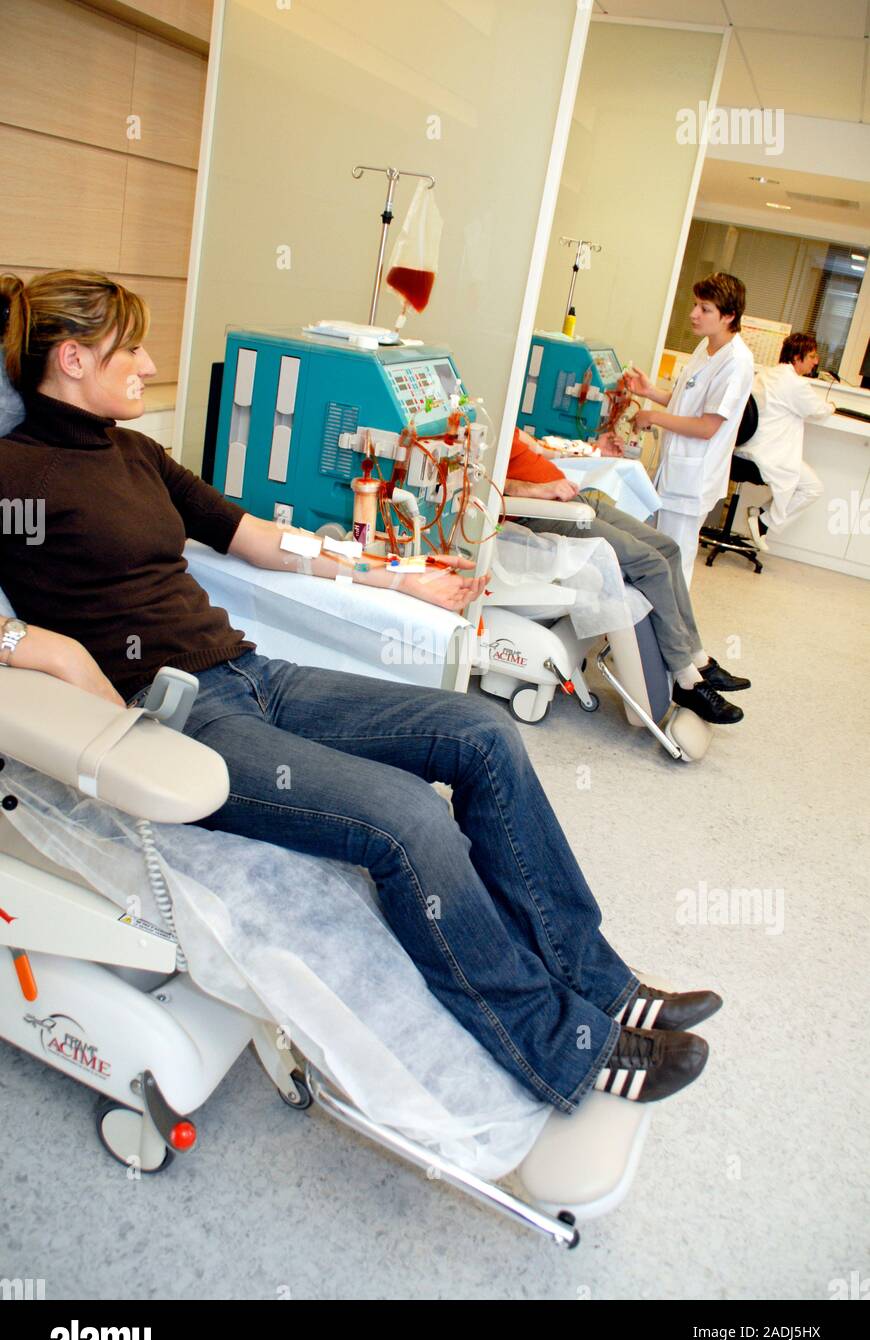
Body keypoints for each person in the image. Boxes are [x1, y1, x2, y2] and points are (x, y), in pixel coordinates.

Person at [0, 270, 722, 1113]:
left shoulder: (134, 454)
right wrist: (32, 642)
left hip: (253, 674)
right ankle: (563, 1045)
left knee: (481, 734)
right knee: (406, 816)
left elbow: (261, 538)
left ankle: (594, 975)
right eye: (132, 349)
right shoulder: (15, 474)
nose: (151, 362)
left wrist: (396, 582)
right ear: (74, 357)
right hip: (180, 718)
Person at [506, 428, 749, 724]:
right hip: (542, 510)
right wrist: (538, 491)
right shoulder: (459, 425)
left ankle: (698, 657)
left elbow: (531, 450)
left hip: (568, 497)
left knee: (668, 549)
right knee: (651, 564)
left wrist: (593, 449)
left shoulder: (495, 413)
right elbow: (483, 481)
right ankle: (686, 679)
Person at [624, 272, 754, 588]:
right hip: (673, 471)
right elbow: (685, 401)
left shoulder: (736, 362)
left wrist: (653, 417)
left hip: (692, 480)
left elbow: (708, 426)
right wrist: (651, 392)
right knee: (656, 555)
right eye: (695, 305)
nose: (694, 314)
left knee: (675, 566)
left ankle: (672, 635)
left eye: (705, 308)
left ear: (728, 316)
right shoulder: (705, 347)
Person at [738, 332, 832, 551]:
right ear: (797, 358)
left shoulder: (764, 374)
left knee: (808, 485)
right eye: (811, 356)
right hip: (769, 455)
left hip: (745, 451)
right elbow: (819, 411)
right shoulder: (794, 384)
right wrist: (833, 406)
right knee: (813, 488)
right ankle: (763, 520)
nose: (816, 361)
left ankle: (762, 517)